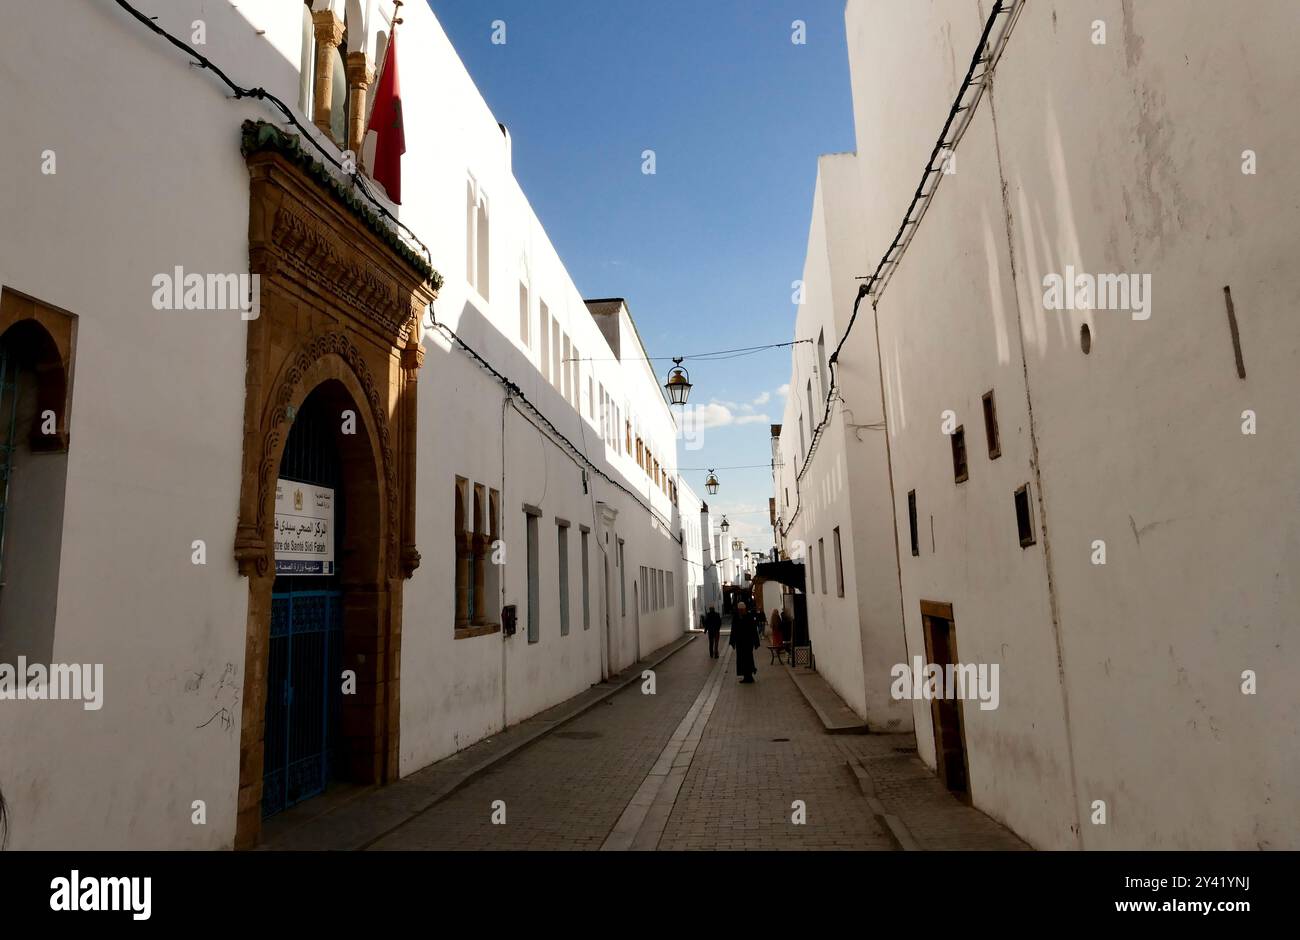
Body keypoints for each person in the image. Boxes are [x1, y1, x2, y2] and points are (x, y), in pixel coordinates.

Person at [729, 601, 759, 683]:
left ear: (745, 609)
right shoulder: (736, 617)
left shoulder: (749, 617)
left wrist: (756, 642)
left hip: (748, 643)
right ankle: (747, 677)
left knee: (748, 659)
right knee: (742, 660)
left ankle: (749, 676)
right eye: (740, 610)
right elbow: (733, 630)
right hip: (740, 643)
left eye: (742, 610)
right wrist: (732, 642)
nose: (741, 611)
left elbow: (754, 630)